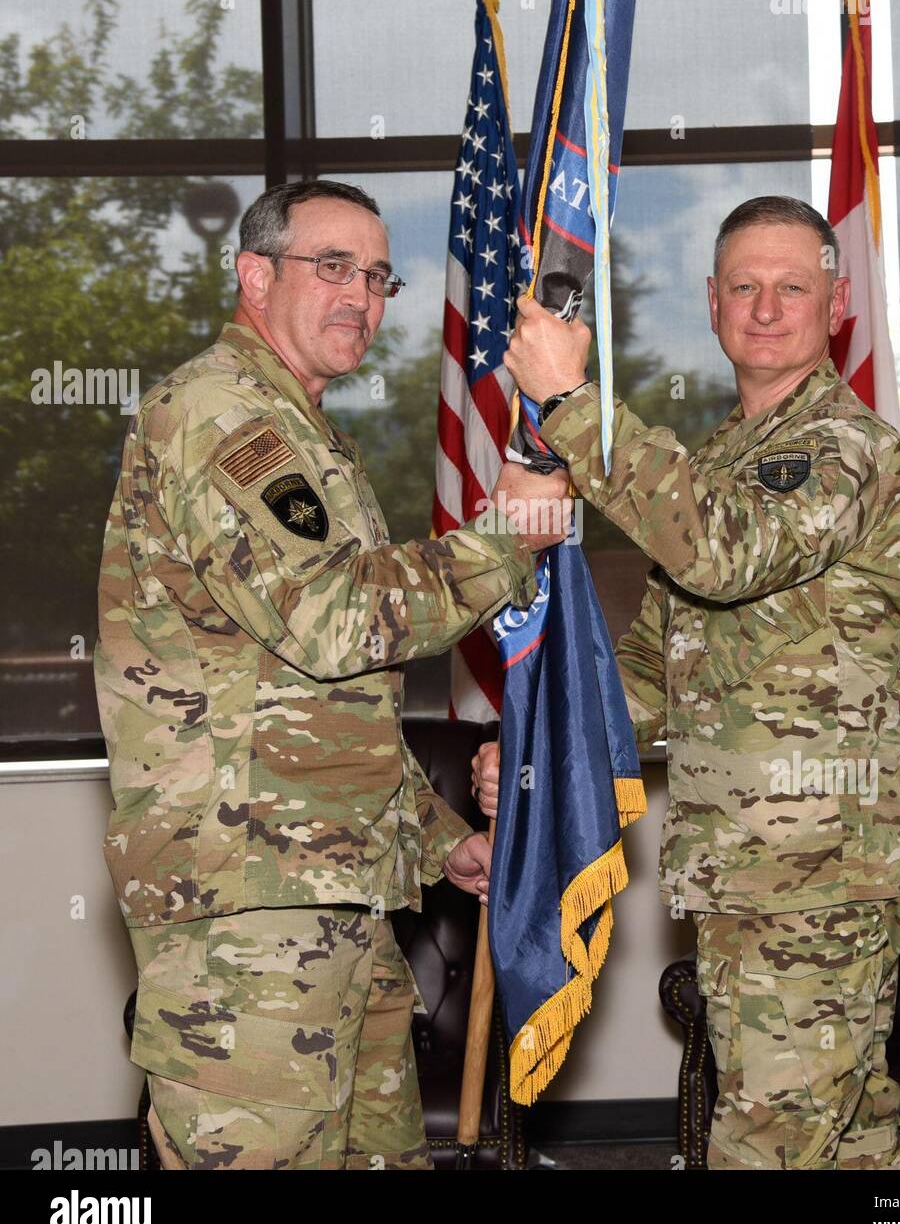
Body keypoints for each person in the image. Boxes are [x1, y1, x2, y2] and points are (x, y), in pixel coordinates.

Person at [95, 178, 569, 1170]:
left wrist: (435, 837)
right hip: (248, 913)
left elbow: (319, 699)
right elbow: (335, 618)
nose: (362, 293)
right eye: (332, 266)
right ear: (254, 276)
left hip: (330, 896)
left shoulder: (303, 437)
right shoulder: (224, 418)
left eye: (378, 276)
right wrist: (503, 541)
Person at [473, 195, 900, 1170]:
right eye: (743, 287)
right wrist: (537, 755)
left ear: (835, 304)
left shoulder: (849, 450)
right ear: (712, 304)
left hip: (817, 874)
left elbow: (725, 552)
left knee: (764, 1152)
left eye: (792, 288)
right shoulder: (720, 459)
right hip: (744, 875)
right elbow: (651, 670)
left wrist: (571, 406)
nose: (765, 309)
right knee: (843, 1148)